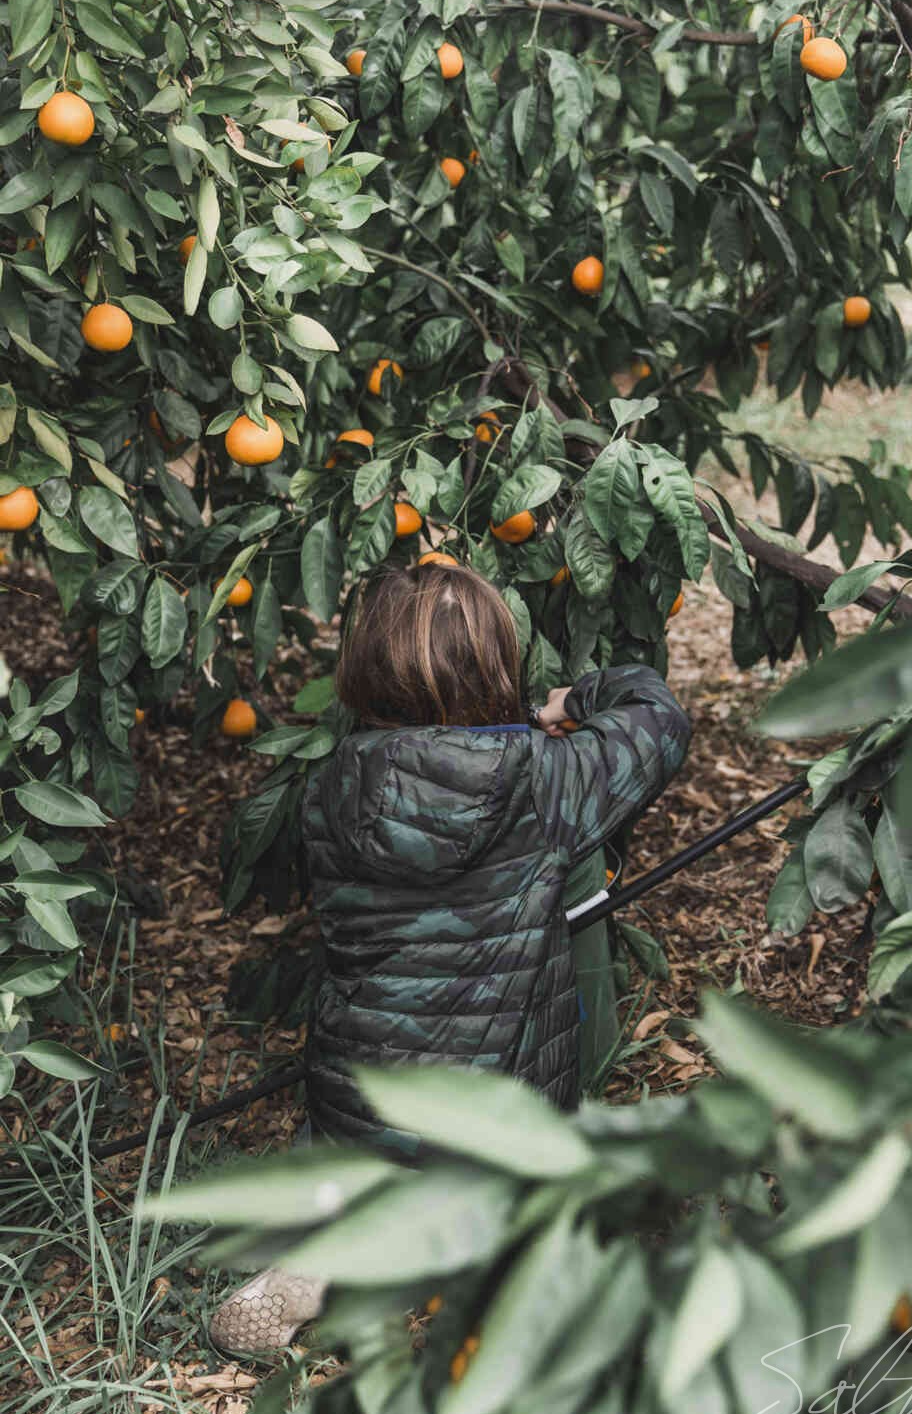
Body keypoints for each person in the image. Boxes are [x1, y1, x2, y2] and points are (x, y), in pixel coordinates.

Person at [210, 561, 690, 1353]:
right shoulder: (543, 779)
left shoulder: (330, 787)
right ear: (497, 664)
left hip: (359, 1101)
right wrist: (575, 701)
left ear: (364, 669)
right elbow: (659, 717)